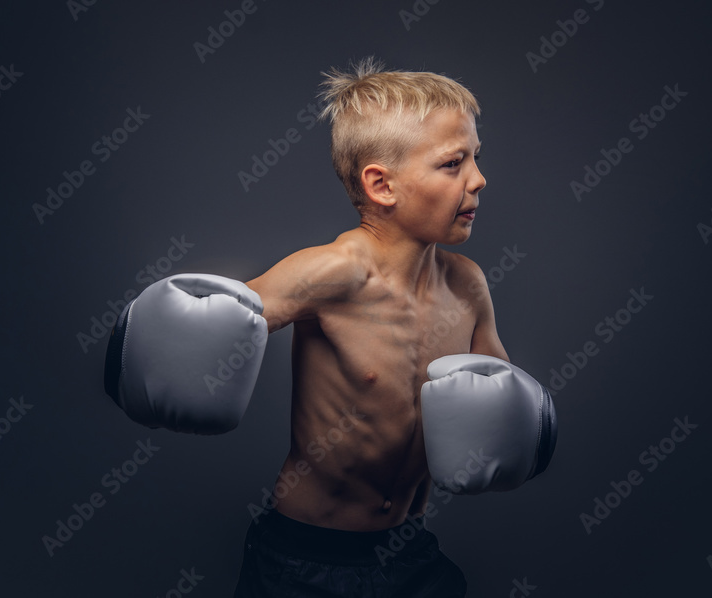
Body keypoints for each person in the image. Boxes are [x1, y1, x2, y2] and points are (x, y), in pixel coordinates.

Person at [104, 57, 557, 597]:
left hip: (408, 552)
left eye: (476, 158)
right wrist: (156, 354)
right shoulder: (333, 273)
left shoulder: (467, 284)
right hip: (306, 558)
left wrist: (522, 426)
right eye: (453, 163)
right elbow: (223, 319)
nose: (478, 179)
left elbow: (503, 397)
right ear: (381, 185)